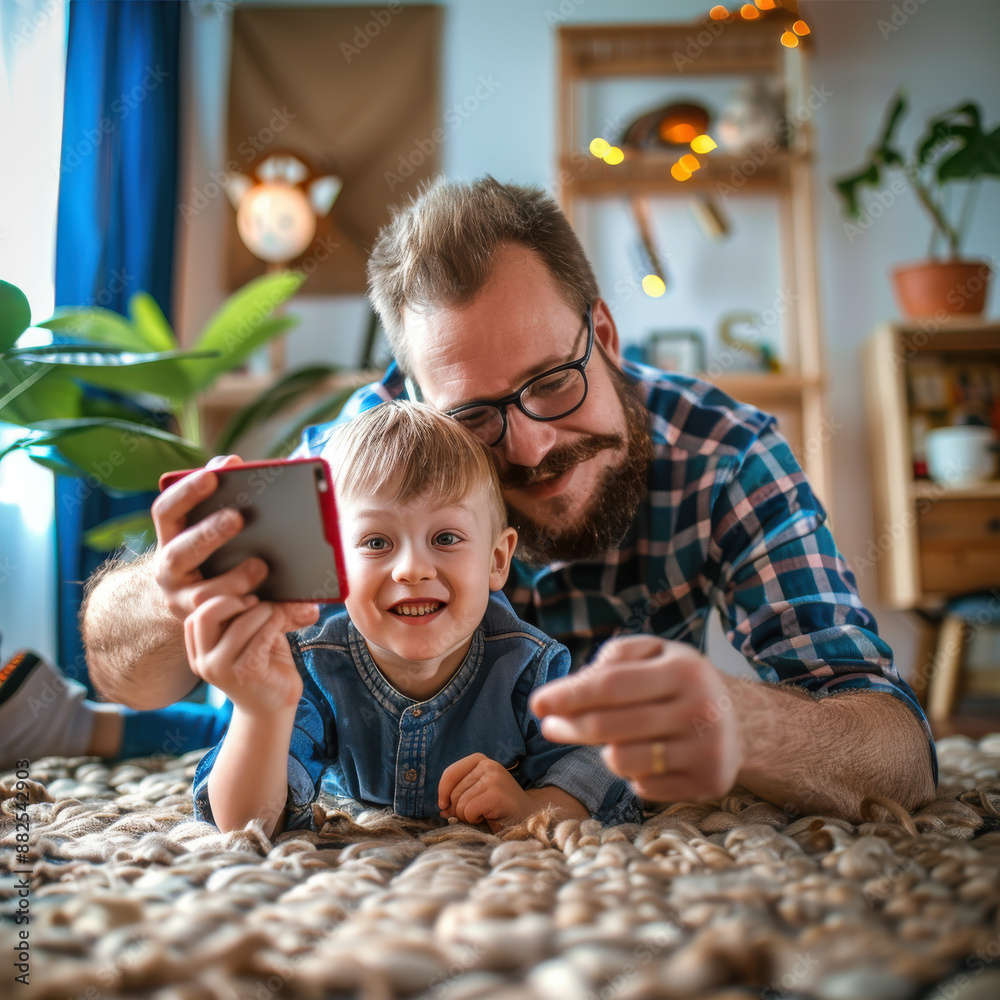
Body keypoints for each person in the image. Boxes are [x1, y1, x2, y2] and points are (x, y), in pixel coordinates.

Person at [19, 177, 935, 823]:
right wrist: (176, 587)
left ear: (605, 335)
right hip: (361, 735)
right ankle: (94, 732)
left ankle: (89, 733)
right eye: (477, 416)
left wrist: (743, 721)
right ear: (415, 405)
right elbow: (129, 663)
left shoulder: (727, 459)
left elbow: (901, 752)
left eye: (553, 381)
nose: (532, 443)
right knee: (258, 711)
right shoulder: (369, 453)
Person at [186, 401, 641, 836]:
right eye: (376, 543)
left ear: (497, 560)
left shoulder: (527, 665)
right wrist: (260, 712)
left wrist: (530, 806)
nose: (412, 569)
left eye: (445, 537)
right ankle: (127, 724)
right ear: (334, 565)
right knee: (211, 727)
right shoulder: (314, 665)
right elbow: (247, 825)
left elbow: (598, 768)